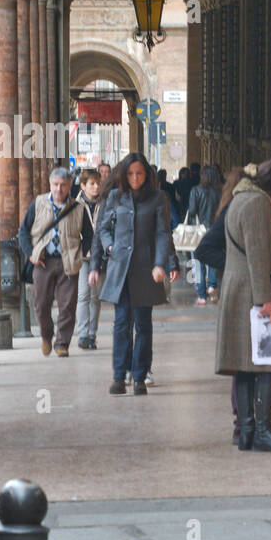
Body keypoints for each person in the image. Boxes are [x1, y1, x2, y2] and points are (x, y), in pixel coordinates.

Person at [215, 157, 271, 452]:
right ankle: (263, 431)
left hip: (237, 288)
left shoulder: (241, 197)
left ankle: (248, 432)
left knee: (244, 366)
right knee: (267, 364)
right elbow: (257, 254)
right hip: (252, 290)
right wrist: (264, 299)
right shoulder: (257, 204)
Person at [89, 152, 179, 396]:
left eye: (139, 173)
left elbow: (163, 234)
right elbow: (103, 229)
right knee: (121, 324)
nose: (135, 178)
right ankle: (119, 375)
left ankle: (140, 376)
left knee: (143, 324)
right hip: (120, 270)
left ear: (146, 174)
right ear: (123, 174)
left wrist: (161, 263)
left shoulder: (158, 199)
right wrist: (106, 251)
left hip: (145, 270)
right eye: (130, 173)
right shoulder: (115, 197)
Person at [18, 167, 85, 357]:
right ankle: (46, 336)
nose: (59, 189)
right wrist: (31, 254)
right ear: (50, 185)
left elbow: (88, 236)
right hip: (43, 262)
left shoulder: (78, 208)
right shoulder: (38, 203)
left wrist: (82, 254)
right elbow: (23, 231)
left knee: (67, 305)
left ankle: (62, 343)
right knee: (41, 303)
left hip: (68, 262)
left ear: (70, 186)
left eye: (63, 185)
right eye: (55, 185)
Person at [75, 168, 105, 350]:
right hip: (84, 256)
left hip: (100, 256)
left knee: (96, 297)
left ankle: (92, 335)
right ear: (83, 186)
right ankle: (82, 334)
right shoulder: (76, 205)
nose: (96, 187)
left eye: (98, 183)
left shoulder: (105, 204)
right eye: (92, 184)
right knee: (83, 295)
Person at [185, 164, 221, 305]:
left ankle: (201, 295)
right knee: (212, 260)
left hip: (199, 230)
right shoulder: (220, 191)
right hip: (215, 229)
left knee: (198, 261)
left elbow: (192, 210)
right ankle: (212, 285)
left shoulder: (196, 190)